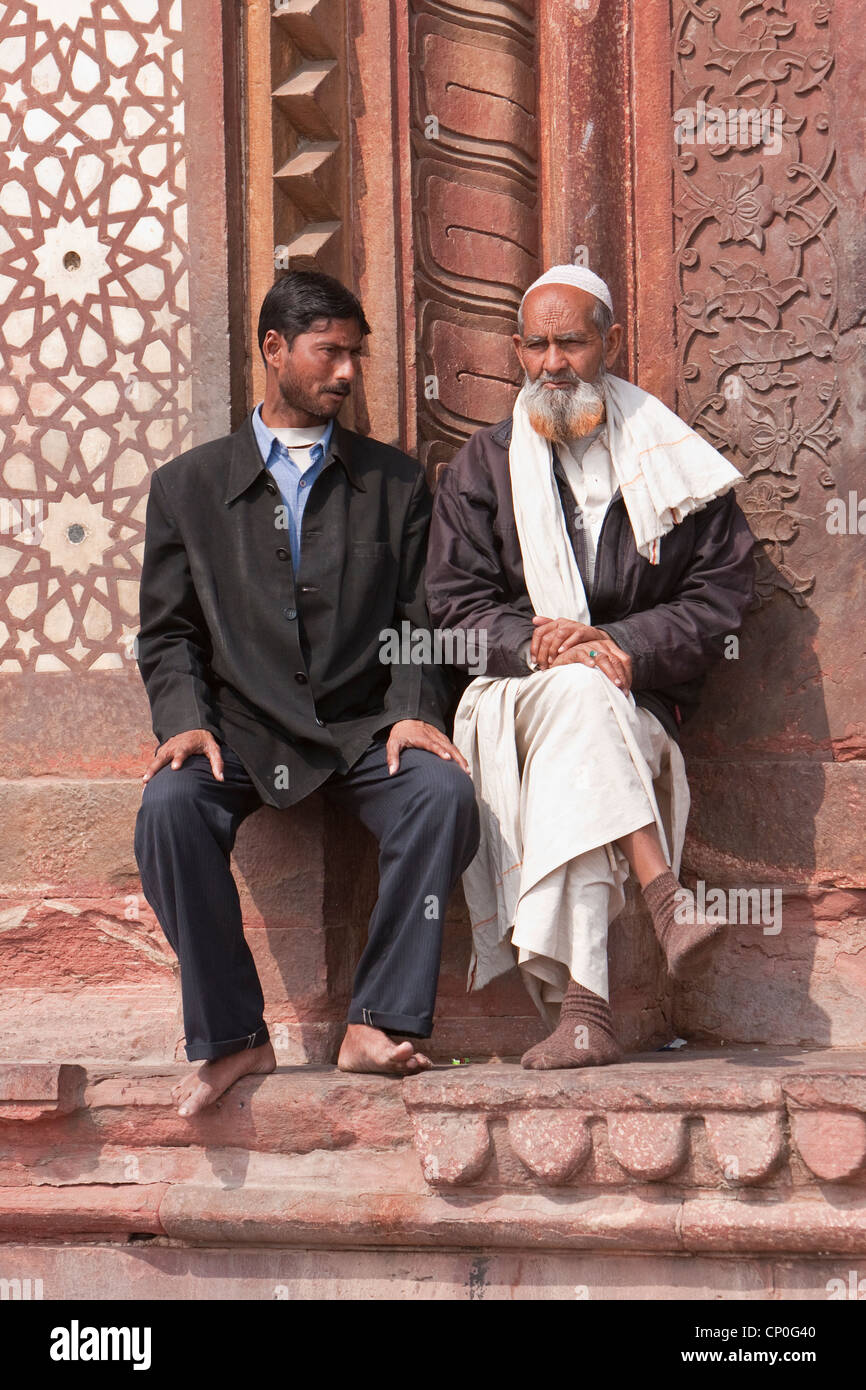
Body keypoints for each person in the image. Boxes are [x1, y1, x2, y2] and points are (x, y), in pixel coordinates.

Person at [134, 269, 479, 1115]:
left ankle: (375, 1023)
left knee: (441, 795)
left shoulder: (398, 483)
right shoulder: (186, 486)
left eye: (355, 355)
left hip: (364, 726)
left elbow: (419, 617)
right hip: (242, 729)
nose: (348, 373)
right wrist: (183, 721)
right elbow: (168, 630)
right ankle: (234, 1038)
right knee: (169, 811)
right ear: (273, 349)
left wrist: (413, 710)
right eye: (330, 352)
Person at [425, 264, 755, 1070]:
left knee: (584, 697)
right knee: (571, 687)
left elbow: (721, 597)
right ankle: (665, 899)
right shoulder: (484, 466)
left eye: (571, 342)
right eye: (535, 345)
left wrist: (627, 647)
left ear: (609, 341)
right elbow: (450, 604)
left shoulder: (674, 459)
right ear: (515, 350)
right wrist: (532, 640)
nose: (552, 363)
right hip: (513, 699)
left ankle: (586, 1014)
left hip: (634, 706)